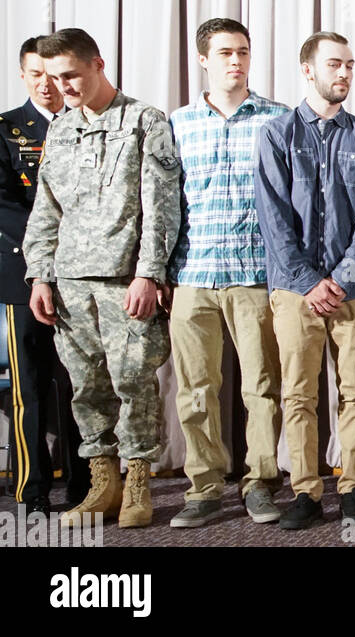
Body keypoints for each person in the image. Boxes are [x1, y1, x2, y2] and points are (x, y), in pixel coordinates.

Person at [23, 28, 182, 528]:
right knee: (86, 388)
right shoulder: (61, 130)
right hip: (70, 282)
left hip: (123, 280)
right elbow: (46, 210)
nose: (62, 86)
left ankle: (138, 481)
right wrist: (40, 275)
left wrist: (150, 273)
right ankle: (102, 484)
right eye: (52, 77)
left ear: (98, 64)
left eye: (70, 74)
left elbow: (160, 204)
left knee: (133, 381)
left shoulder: (143, 120)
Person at [255, 32, 355, 529]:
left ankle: (352, 487)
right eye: (335, 64)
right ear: (308, 70)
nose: (346, 74)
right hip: (294, 292)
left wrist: (342, 277)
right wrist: (309, 281)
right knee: (298, 394)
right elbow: (272, 218)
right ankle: (306, 492)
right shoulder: (276, 134)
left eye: (351, 65)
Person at [165, 18, 291, 528]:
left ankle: (259, 482)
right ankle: (204, 487)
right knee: (195, 388)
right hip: (192, 275)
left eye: (242, 52)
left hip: (255, 275)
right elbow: (165, 203)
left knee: (261, 386)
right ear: (203, 59)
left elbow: (292, 203)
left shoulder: (278, 120)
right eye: (224, 53)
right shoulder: (177, 123)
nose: (235, 62)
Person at [1, 36, 88, 515]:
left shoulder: (84, 126)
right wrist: (45, 256)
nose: (47, 84)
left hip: (81, 277)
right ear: (24, 75)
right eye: (36, 74)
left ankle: (82, 488)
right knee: (29, 389)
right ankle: (32, 492)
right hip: (21, 277)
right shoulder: (7, 130)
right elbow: (7, 205)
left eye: (53, 75)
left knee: (80, 387)